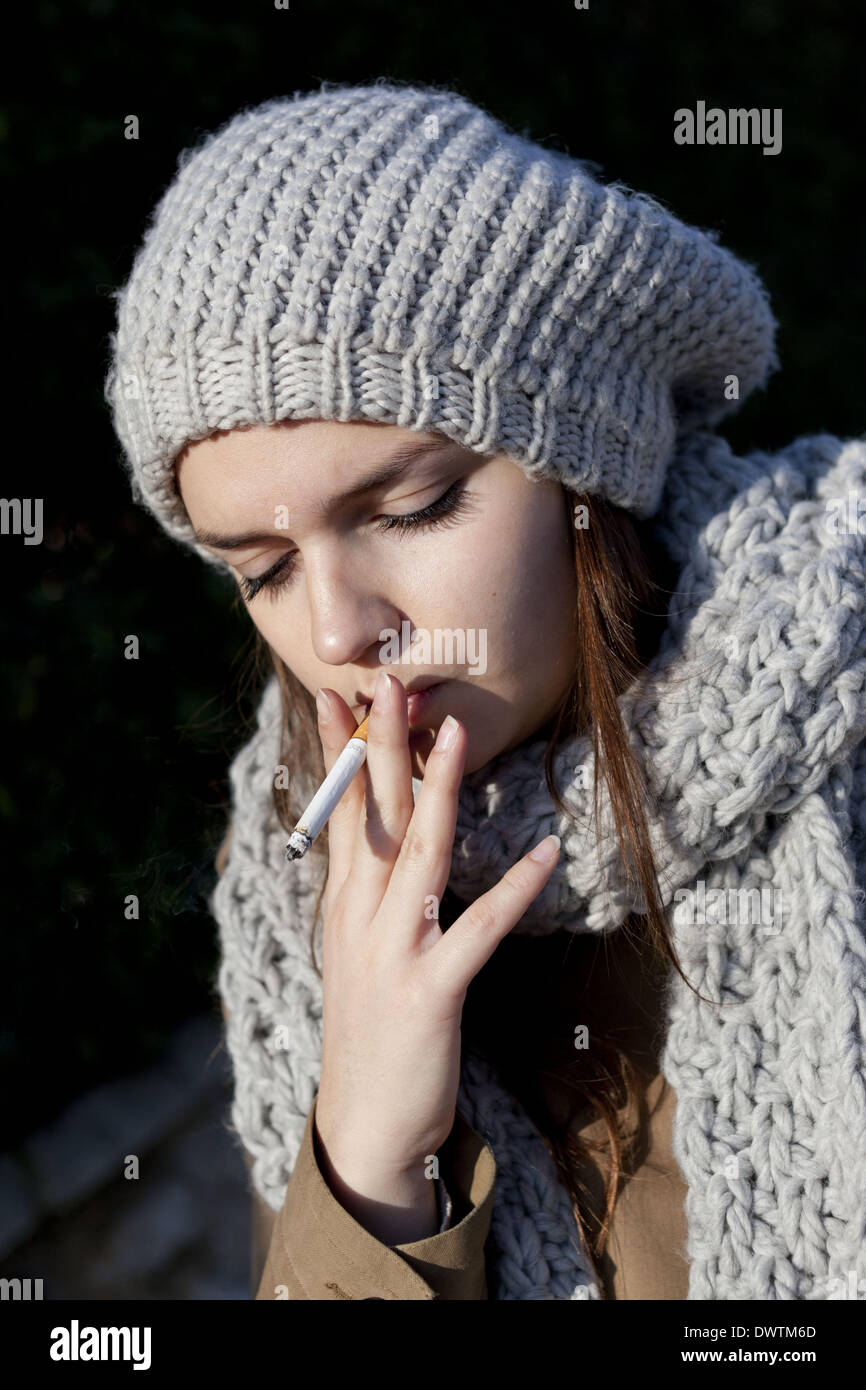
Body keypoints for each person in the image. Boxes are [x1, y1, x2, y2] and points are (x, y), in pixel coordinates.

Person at [103, 79, 866, 1301]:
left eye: (409, 509)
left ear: (586, 470)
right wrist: (363, 1157)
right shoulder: (301, 904)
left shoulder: (842, 677)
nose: (339, 630)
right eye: (263, 568)